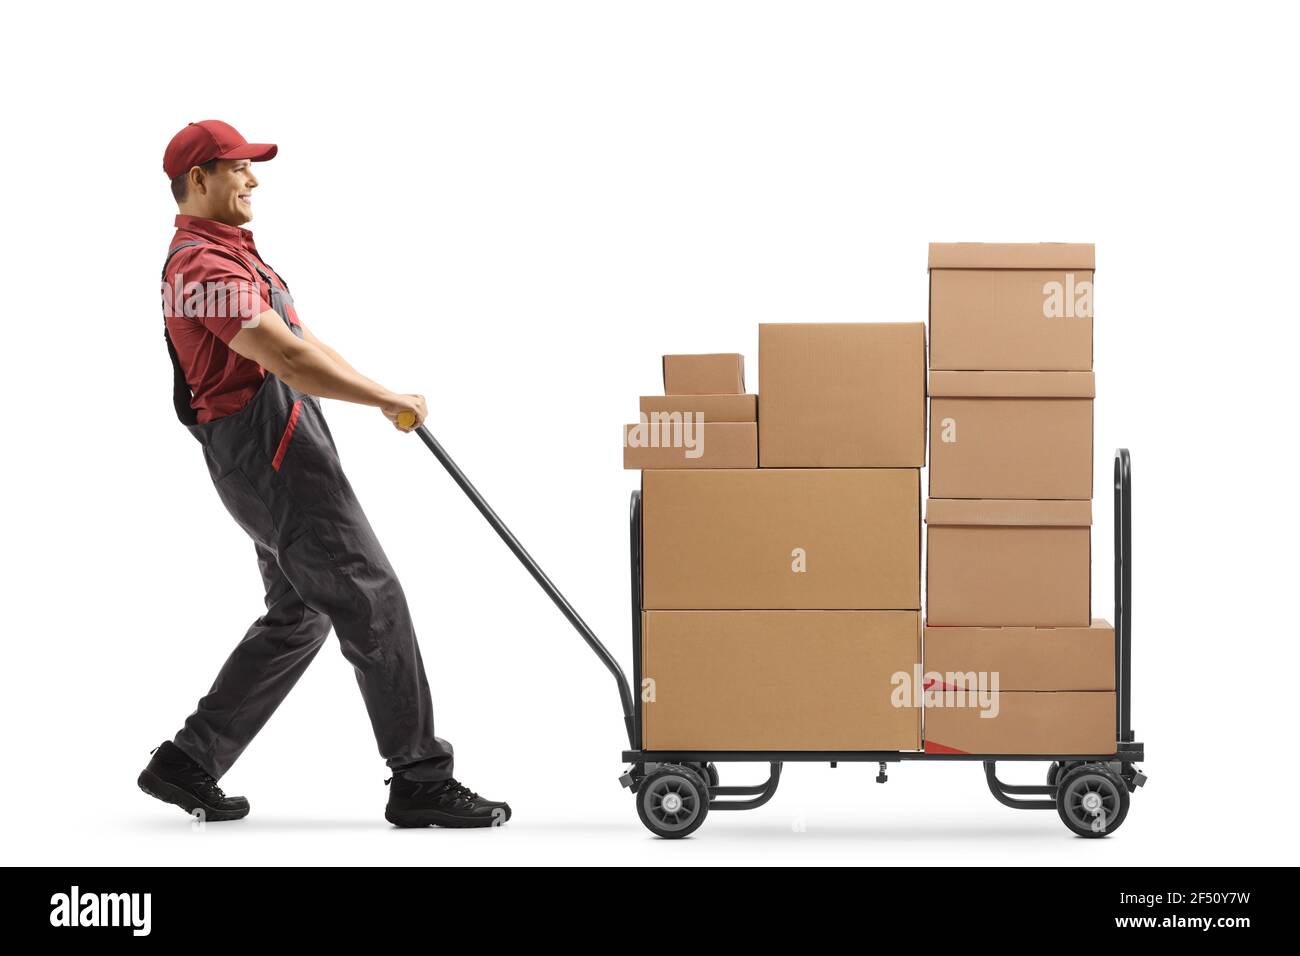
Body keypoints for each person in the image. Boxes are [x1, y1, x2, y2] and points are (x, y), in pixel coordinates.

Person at [139, 120, 509, 829]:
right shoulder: (202, 269)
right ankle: (420, 776)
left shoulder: (236, 258)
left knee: (300, 611)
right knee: (371, 594)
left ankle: (190, 760)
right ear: (197, 181)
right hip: (268, 452)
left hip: (277, 442)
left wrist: (378, 391)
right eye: (238, 168)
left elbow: (301, 344)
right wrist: (384, 399)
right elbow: (285, 359)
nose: (253, 179)